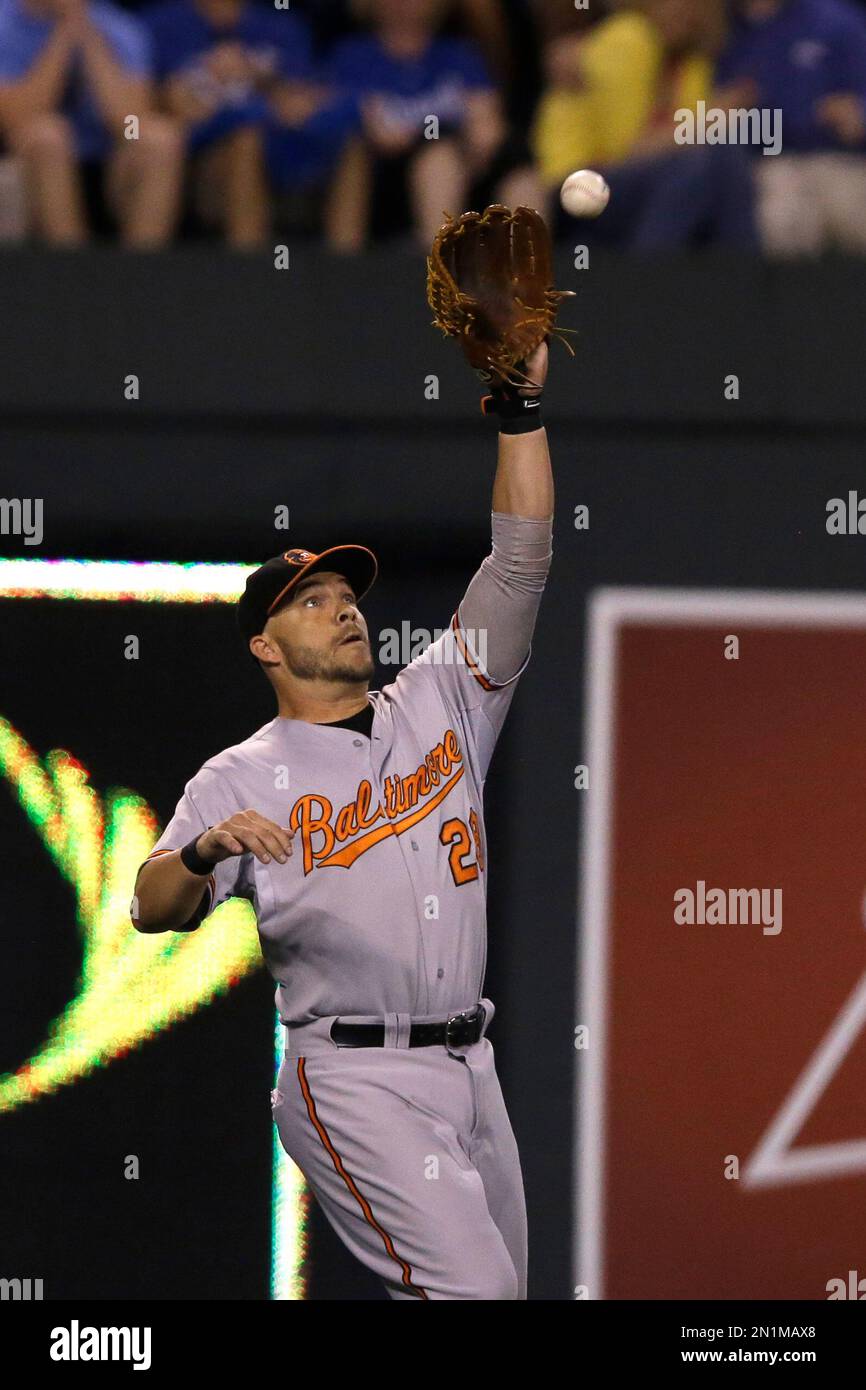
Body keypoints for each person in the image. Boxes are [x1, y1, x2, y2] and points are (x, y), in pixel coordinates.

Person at [131, 337, 555, 1301]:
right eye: (310, 601)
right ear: (264, 646)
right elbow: (151, 907)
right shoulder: (240, 775)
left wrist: (521, 413)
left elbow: (521, 560)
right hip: (351, 1075)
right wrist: (201, 848)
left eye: (345, 595)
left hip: (467, 1062)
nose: (342, 611)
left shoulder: (443, 697)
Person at [533, 0, 759, 250]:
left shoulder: (692, 63)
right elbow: (627, 152)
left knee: (724, 157)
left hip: (638, 185)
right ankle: (646, 277)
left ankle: (741, 276)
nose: (683, 10)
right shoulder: (627, 38)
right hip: (578, 184)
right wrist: (711, 119)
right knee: (695, 166)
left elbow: (681, 144)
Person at [324, 0, 543, 251]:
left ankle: (527, 276)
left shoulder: (459, 55)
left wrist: (480, 144)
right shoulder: (353, 56)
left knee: (520, 172)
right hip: (387, 179)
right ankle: (441, 270)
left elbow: (487, 122)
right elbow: (381, 134)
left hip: (469, 165)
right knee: (440, 160)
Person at [143, 0, 353, 247]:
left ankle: (347, 263)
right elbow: (136, 113)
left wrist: (262, 82)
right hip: (196, 158)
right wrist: (179, 95)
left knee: (350, 136)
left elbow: (303, 99)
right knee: (244, 138)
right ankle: (249, 263)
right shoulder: (159, 24)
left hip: (280, 149)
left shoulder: (281, 26)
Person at [0, 0, 183, 247]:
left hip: (111, 159)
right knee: (48, 135)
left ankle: (141, 275)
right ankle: (71, 272)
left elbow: (131, 122)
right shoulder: (6, 22)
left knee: (160, 138)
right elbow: (17, 118)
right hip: (32, 158)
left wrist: (86, 34)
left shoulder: (119, 27)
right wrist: (63, 35)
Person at [717, 0, 866, 255]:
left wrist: (859, 114)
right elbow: (701, 121)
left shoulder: (837, 20)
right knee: (780, 218)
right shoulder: (723, 30)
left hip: (840, 161)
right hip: (765, 165)